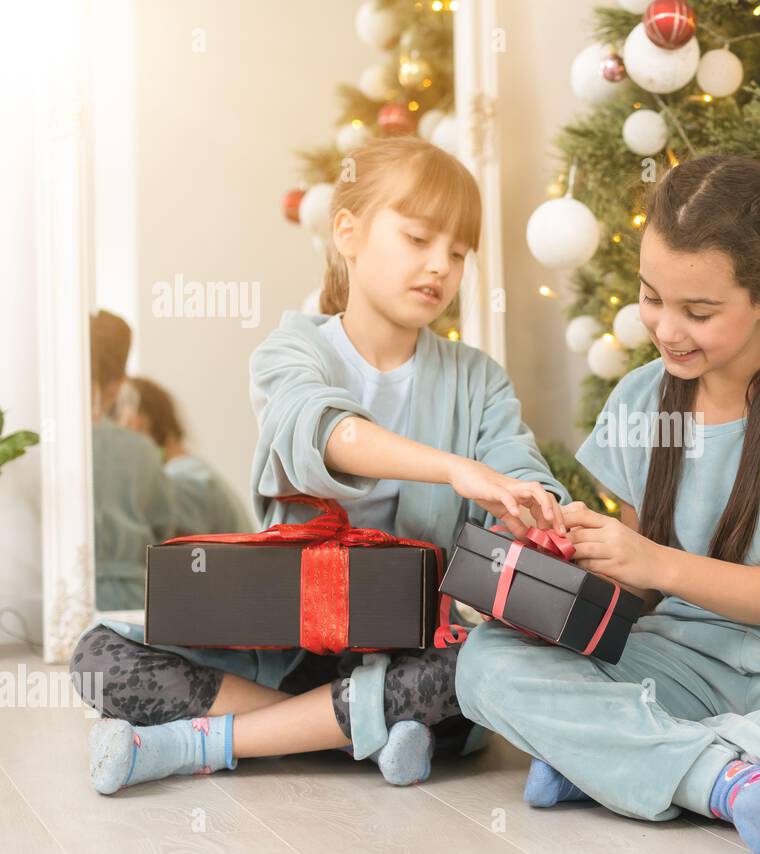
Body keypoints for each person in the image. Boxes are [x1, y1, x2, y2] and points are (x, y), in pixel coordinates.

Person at [454, 154, 760, 854]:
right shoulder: (638, 402)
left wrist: (652, 560)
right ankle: (735, 782)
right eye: (652, 297)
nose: (667, 328)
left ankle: (627, 765)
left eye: (700, 311)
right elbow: (638, 590)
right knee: (485, 667)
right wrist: (560, 551)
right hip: (682, 659)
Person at [72, 137, 568, 794]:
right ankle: (359, 733)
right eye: (418, 238)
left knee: (479, 665)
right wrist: (453, 468)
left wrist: (534, 508)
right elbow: (325, 435)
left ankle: (210, 743)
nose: (438, 267)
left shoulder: (478, 380)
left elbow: (520, 473)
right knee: (96, 659)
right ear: (348, 233)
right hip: (288, 653)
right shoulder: (290, 350)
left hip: (416, 656)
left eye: (457, 253)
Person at [88, 310, 177, 610]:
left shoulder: (44, 446)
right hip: (135, 605)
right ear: (119, 384)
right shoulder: (142, 451)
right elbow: (164, 530)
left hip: (69, 601)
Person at [116, 376, 253, 535]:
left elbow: (177, 558)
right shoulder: (193, 472)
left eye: (123, 420)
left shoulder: (182, 483)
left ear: (137, 422)